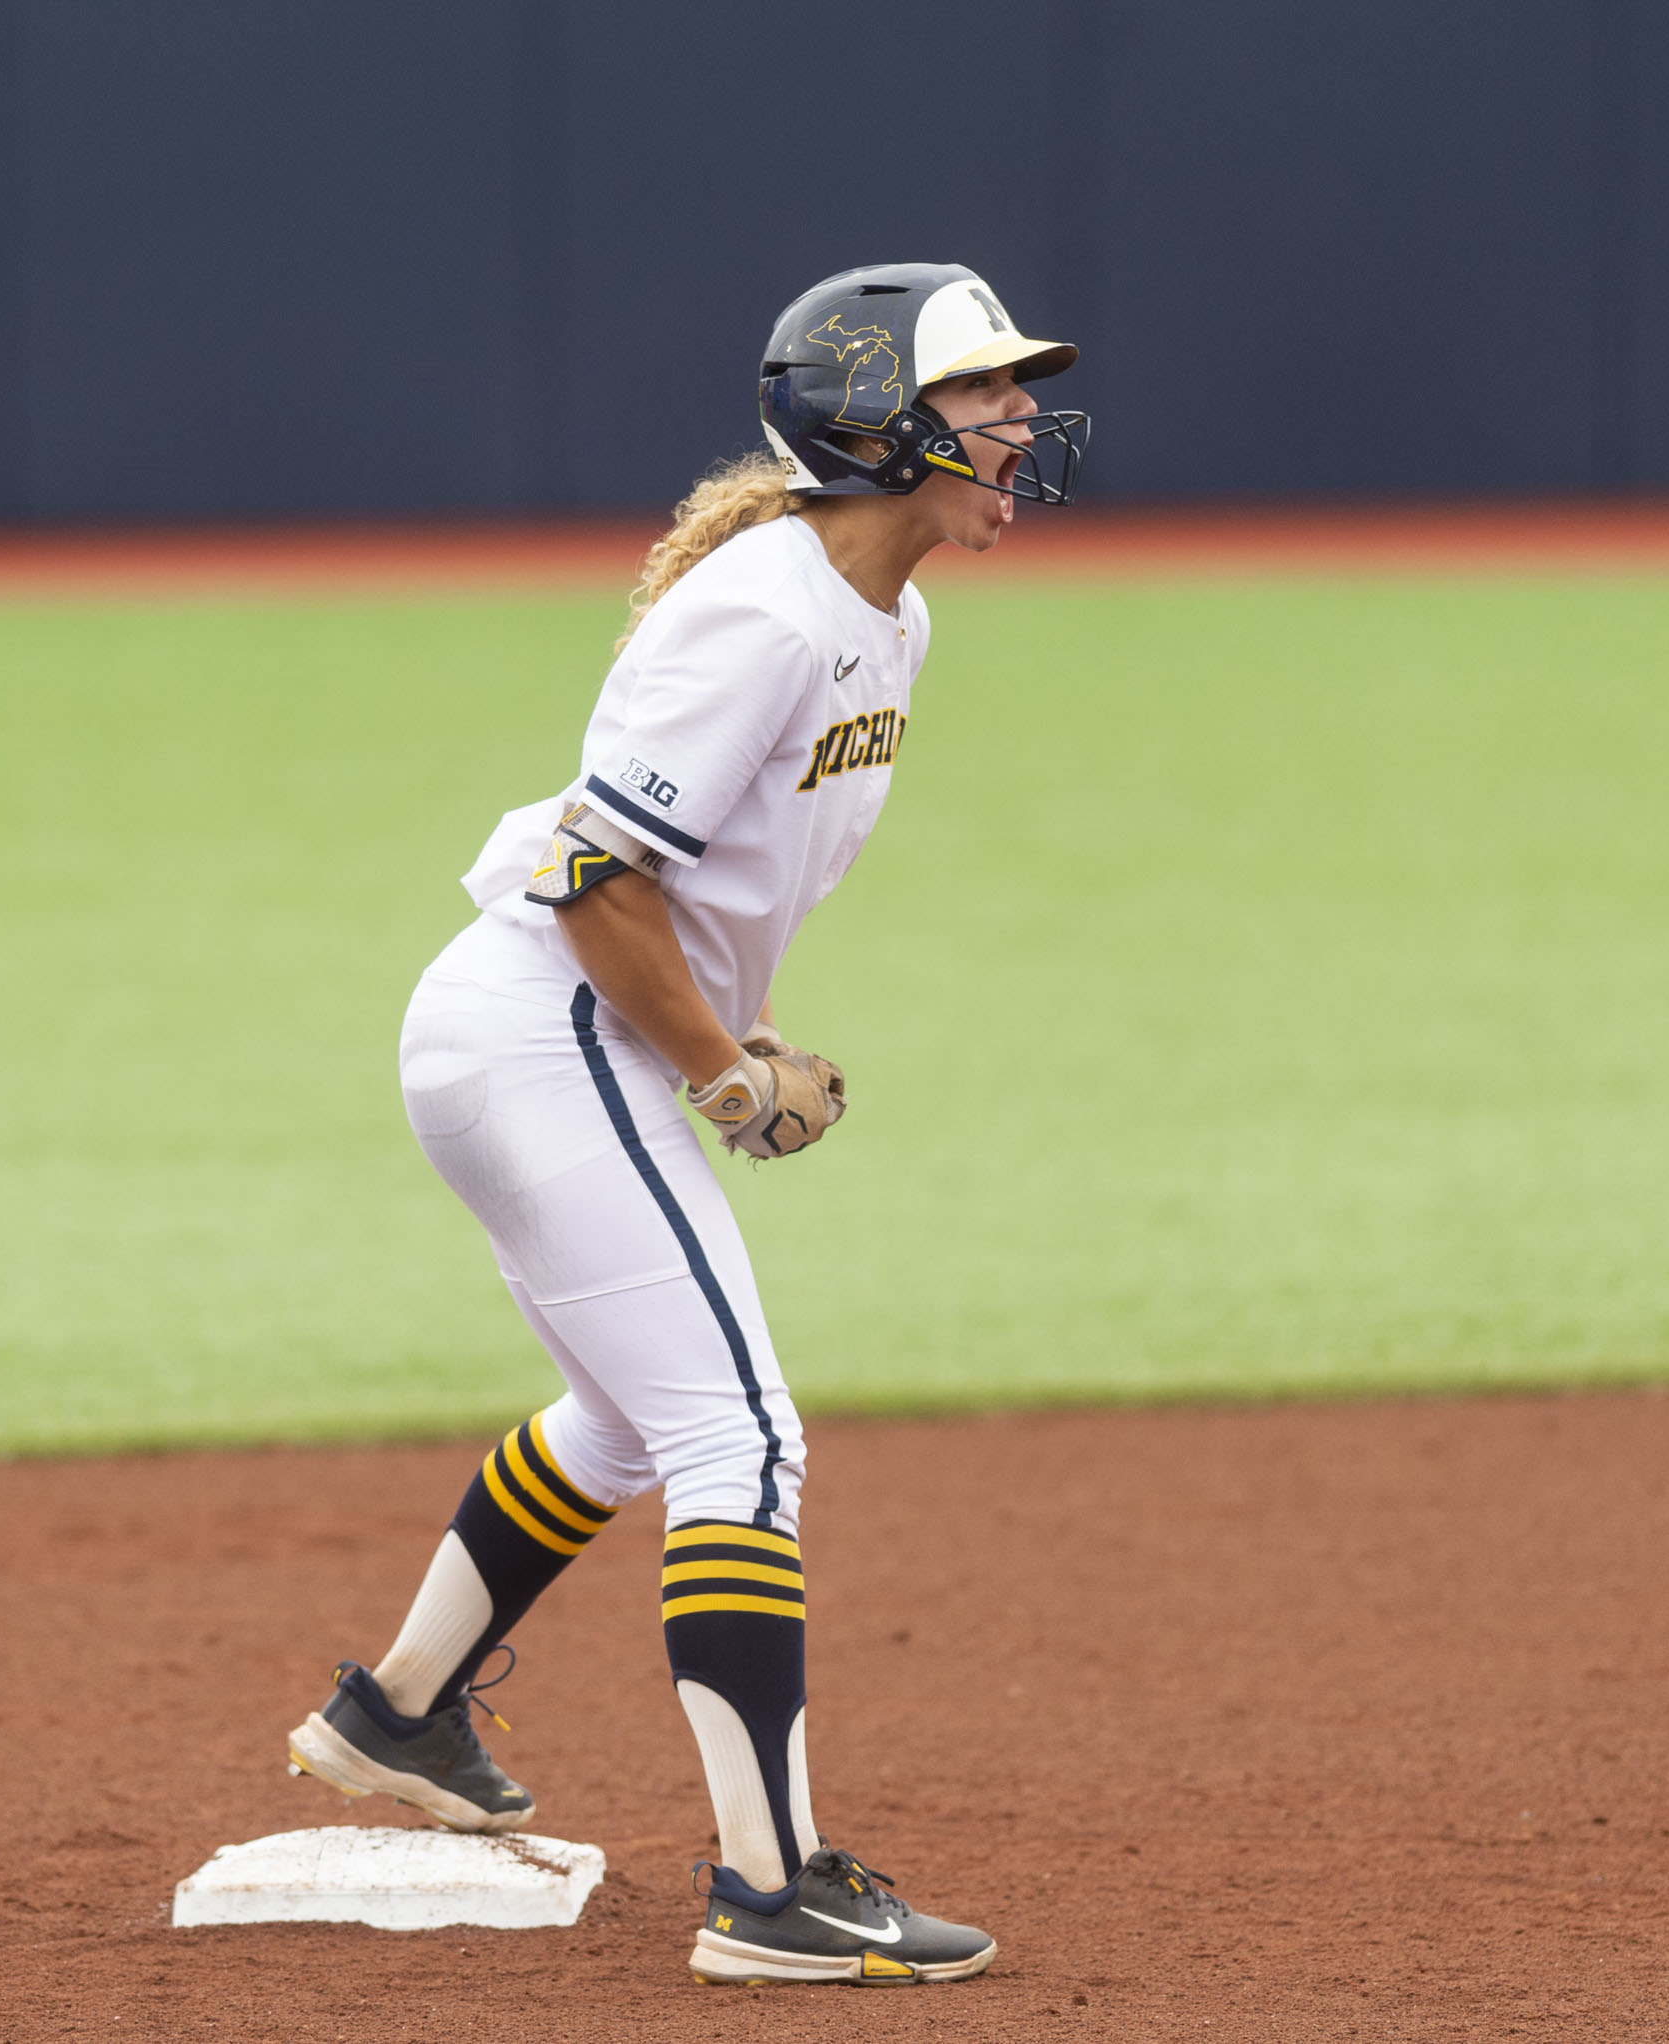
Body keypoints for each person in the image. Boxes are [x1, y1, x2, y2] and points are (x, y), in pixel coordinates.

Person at [281, 263, 1089, 1986]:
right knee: (745, 1438)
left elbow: (716, 872)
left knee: (629, 1419)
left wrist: (736, 1026)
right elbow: (594, 875)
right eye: (982, 392)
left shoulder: (886, 616)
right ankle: (771, 1891)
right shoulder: (769, 614)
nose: (1021, 420)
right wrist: (724, 1074)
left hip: (560, 1033)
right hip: (545, 1029)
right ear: (877, 421)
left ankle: (399, 1713)